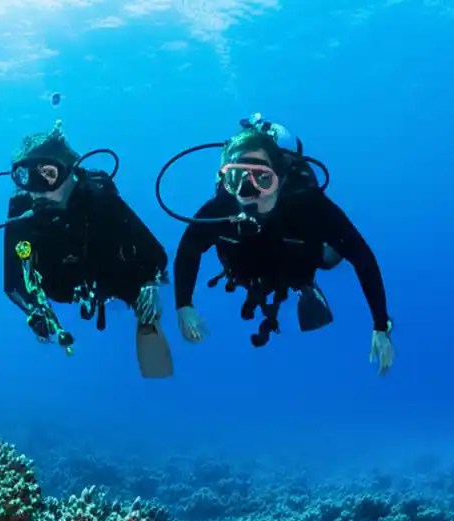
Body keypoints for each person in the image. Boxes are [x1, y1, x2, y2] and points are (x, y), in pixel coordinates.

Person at [161, 114, 395, 375]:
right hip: (245, 266)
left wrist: (381, 326)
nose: (246, 193)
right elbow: (189, 249)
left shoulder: (309, 206)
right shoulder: (221, 207)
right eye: (236, 178)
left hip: (298, 259)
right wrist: (184, 304)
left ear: (281, 179)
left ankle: (307, 285)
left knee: (329, 258)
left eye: (262, 178)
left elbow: (362, 256)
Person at [0, 121, 173, 378]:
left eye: (47, 173)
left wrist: (149, 284)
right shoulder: (21, 210)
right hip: (60, 285)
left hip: (111, 274)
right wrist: (33, 311)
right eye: (26, 176)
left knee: (146, 312)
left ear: (68, 170)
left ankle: (158, 374)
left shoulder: (99, 197)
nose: (37, 189)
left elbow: (153, 251)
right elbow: (12, 282)